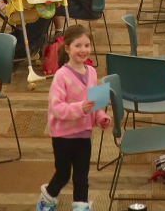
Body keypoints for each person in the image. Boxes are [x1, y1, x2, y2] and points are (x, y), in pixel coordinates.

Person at [37, 25, 112, 211]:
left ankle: (81, 206)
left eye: (87, 45)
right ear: (68, 48)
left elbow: (94, 103)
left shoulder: (92, 72)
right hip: (63, 136)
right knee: (63, 175)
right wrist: (81, 108)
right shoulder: (61, 76)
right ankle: (47, 199)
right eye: (78, 45)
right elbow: (56, 108)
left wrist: (100, 117)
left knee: (81, 177)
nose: (83, 50)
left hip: (84, 134)